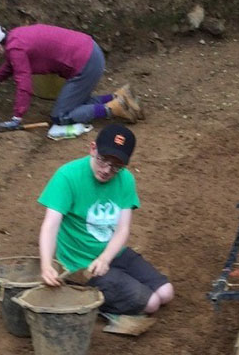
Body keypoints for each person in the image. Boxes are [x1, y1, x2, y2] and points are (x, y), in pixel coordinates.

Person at [38, 123, 174, 321]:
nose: (107, 170)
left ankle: (113, 290)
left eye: (116, 166)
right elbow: (50, 225)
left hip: (113, 253)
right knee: (152, 303)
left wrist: (105, 258)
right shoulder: (67, 176)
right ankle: (95, 304)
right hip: (83, 265)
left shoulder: (125, 179)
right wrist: (46, 264)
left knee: (166, 293)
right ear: (93, 149)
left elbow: (123, 229)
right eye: (103, 160)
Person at [0, 22, 143, 140]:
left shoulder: (15, 48)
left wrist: (17, 116)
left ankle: (112, 109)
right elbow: (11, 67)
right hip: (90, 52)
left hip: (84, 64)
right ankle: (118, 97)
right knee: (78, 105)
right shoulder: (16, 36)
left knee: (61, 116)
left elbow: (24, 83)